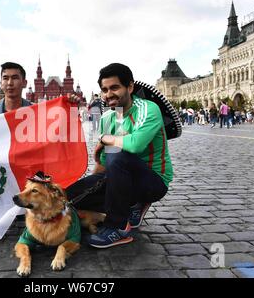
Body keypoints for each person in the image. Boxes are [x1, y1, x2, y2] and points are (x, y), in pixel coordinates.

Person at [66, 63, 173, 249]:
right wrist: (90, 187)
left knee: (120, 156)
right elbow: (104, 165)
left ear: (130, 87)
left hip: (152, 182)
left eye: (115, 87)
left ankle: (118, 227)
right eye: (105, 90)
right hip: (120, 178)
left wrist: (105, 138)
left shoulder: (147, 108)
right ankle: (129, 206)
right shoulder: (108, 118)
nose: (109, 94)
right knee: (69, 197)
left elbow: (135, 145)